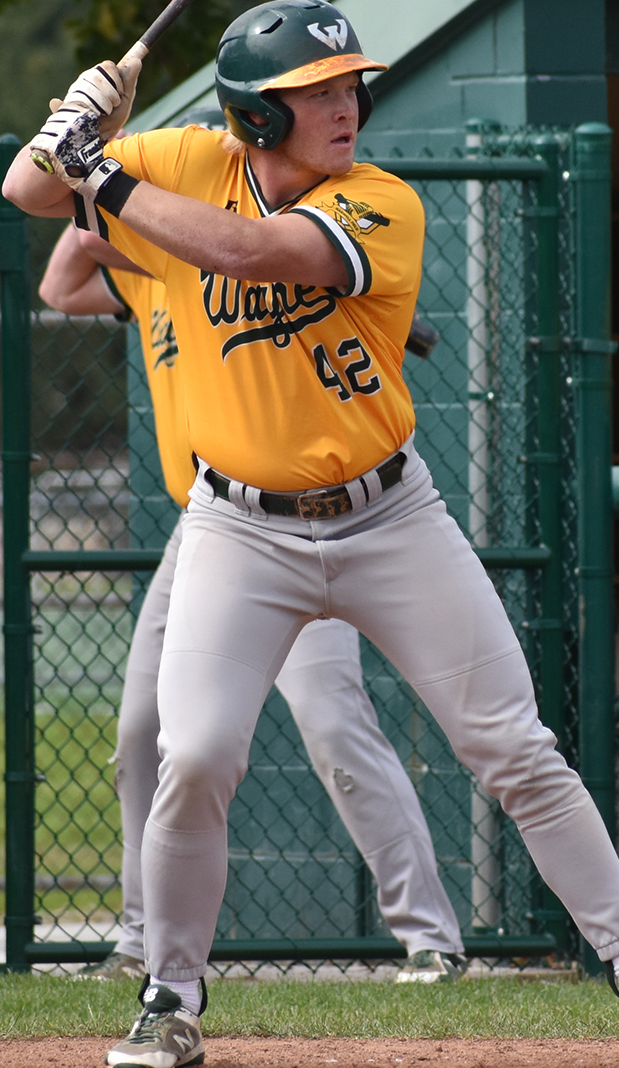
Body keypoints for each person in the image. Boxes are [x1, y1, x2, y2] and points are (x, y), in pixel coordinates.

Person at [7, 0, 619, 1068]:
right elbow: (26, 192)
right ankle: (168, 996)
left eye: (348, 86)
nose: (346, 106)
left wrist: (97, 169)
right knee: (192, 753)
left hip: (389, 516)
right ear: (255, 116)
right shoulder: (185, 158)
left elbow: (251, 253)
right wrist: (81, 115)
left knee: (512, 751)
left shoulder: (377, 200)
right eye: (315, 94)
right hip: (237, 529)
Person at [36, 214, 468, 985]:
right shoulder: (155, 275)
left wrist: (191, 223)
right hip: (210, 529)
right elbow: (59, 282)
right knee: (142, 730)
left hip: (303, 523)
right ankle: (139, 940)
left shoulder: (247, 271)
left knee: (334, 723)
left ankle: (430, 939)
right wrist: (106, 199)